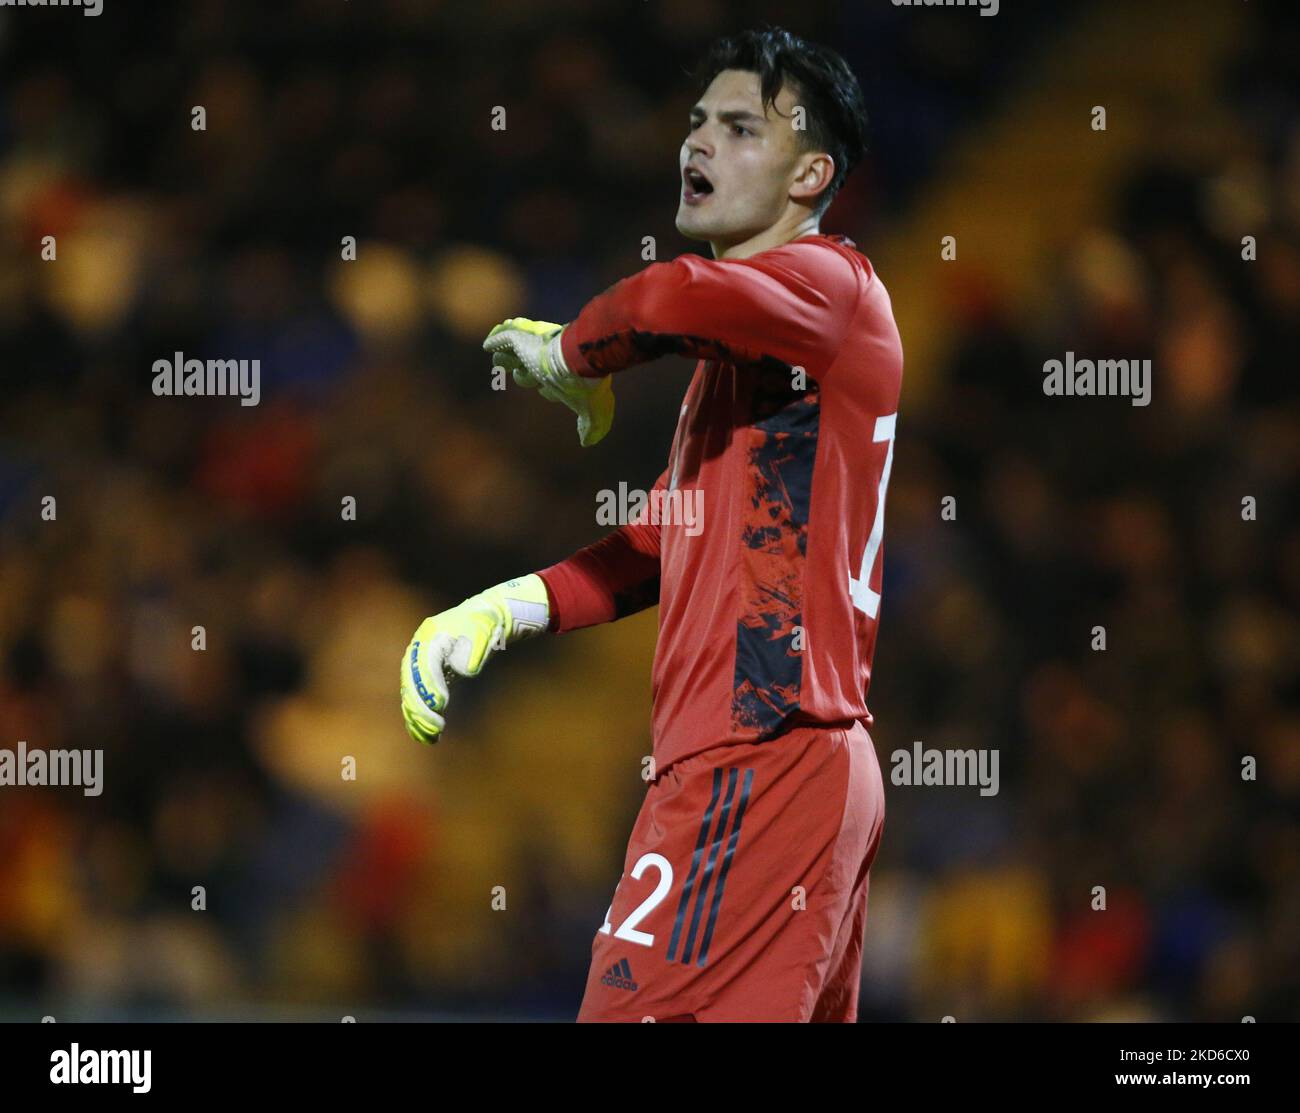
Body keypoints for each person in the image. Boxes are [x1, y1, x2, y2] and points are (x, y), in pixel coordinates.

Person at [400, 25, 901, 1022]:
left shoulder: (829, 285)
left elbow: (667, 292)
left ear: (810, 174)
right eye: (696, 123)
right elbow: (657, 548)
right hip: (789, 762)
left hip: (757, 755)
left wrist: (570, 357)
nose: (698, 146)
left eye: (739, 127)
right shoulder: (749, 363)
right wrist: (507, 609)